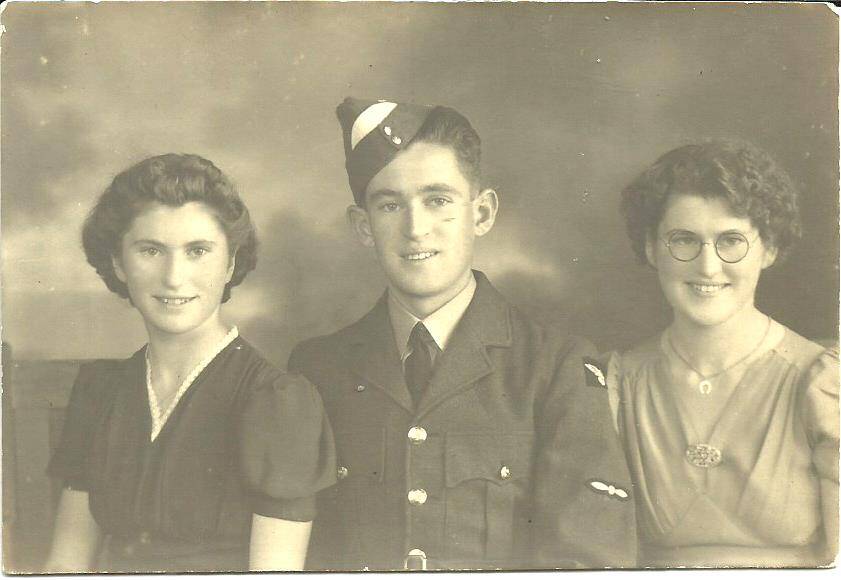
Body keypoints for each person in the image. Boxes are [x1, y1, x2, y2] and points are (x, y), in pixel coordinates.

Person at [287, 97, 637, 570]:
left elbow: (588, 558)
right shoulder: (318, 369)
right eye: (390, 205)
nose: (415, 228)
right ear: (363, 227)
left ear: (482, 213)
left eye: (437, 200)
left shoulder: (555, 367)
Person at [45, 154, 336, 572]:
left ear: (230, 263)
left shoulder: (278, 402)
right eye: (150, 250)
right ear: (117, 263)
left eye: (198, 251)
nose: (174, 277)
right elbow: (64, 567)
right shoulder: (100, 390)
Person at [604, 140, 839, 567]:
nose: (708, 267)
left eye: (731, 241)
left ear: (768, 248)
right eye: (683, 240)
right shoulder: (621, 383)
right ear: (652, 249)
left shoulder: (821, 383)